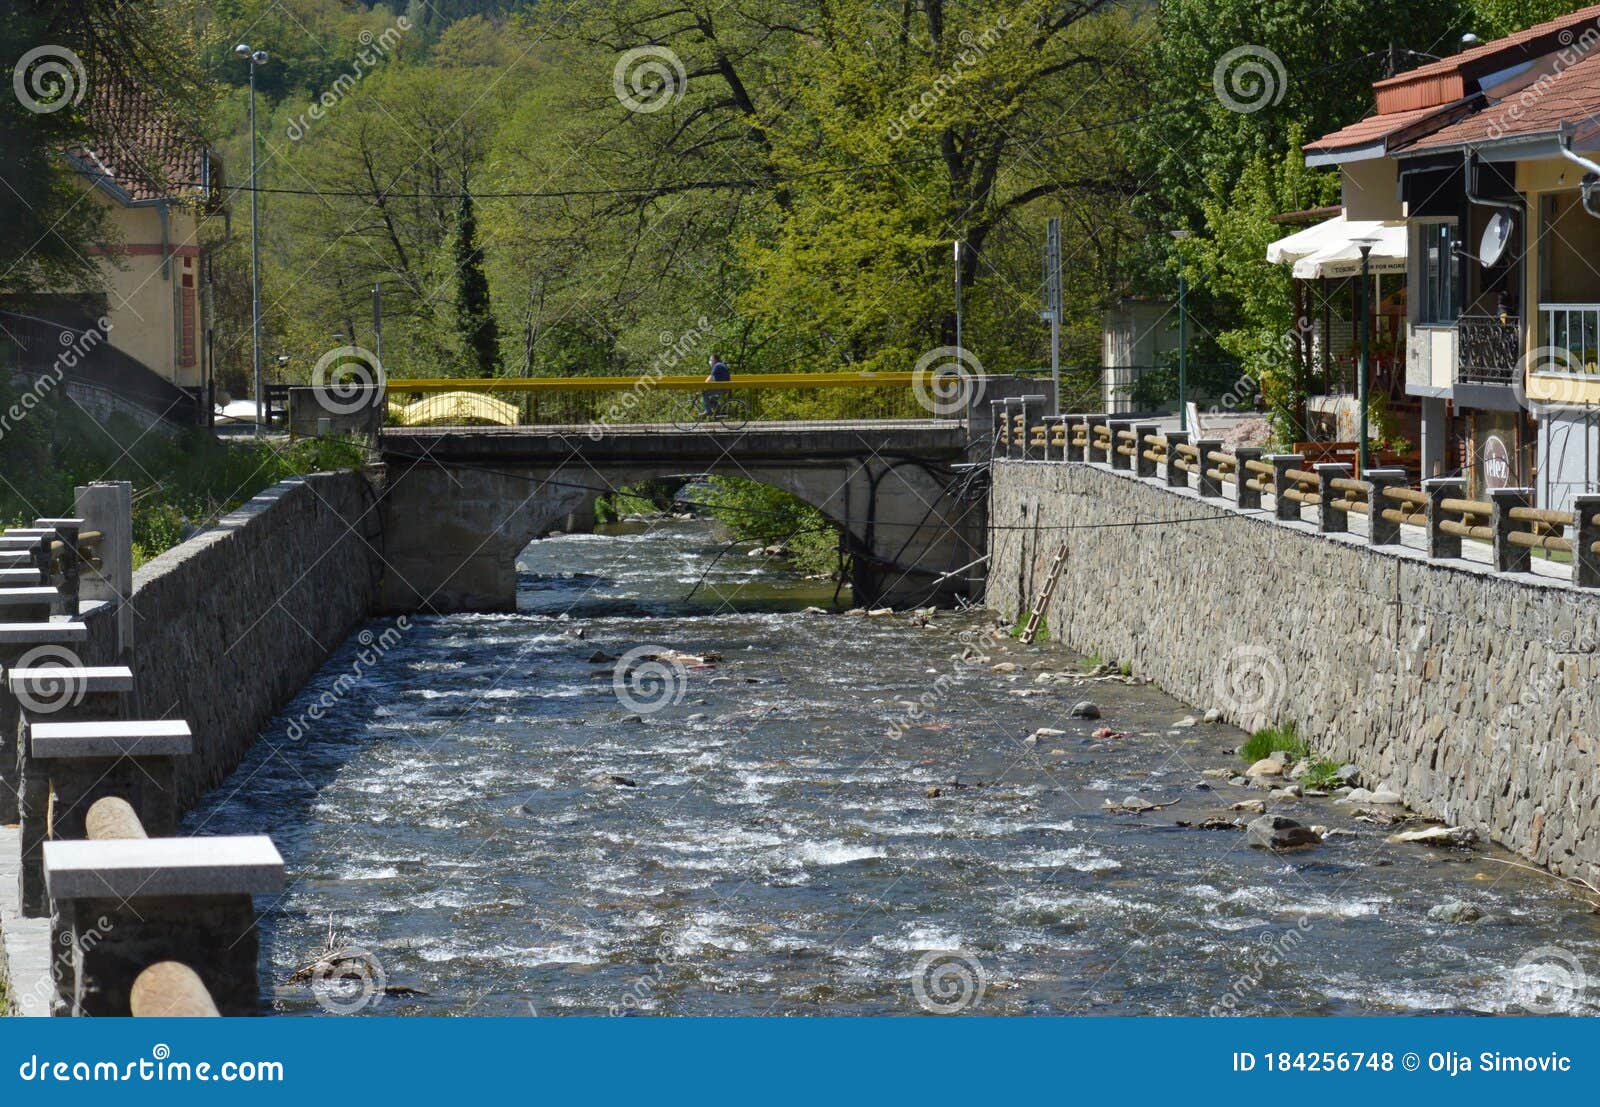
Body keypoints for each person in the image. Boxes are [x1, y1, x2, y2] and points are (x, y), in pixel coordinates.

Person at [703, 352, 731, 417]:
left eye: (711, 360)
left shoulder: (717, 366)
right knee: (711, 398)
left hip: (721, 388)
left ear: (715, 360)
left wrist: (703, 386)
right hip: (724, 387)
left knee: (705, 393)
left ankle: (708, 411)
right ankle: (718, 411)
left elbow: (710, 378)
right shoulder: (721, 365)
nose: (710, 361)